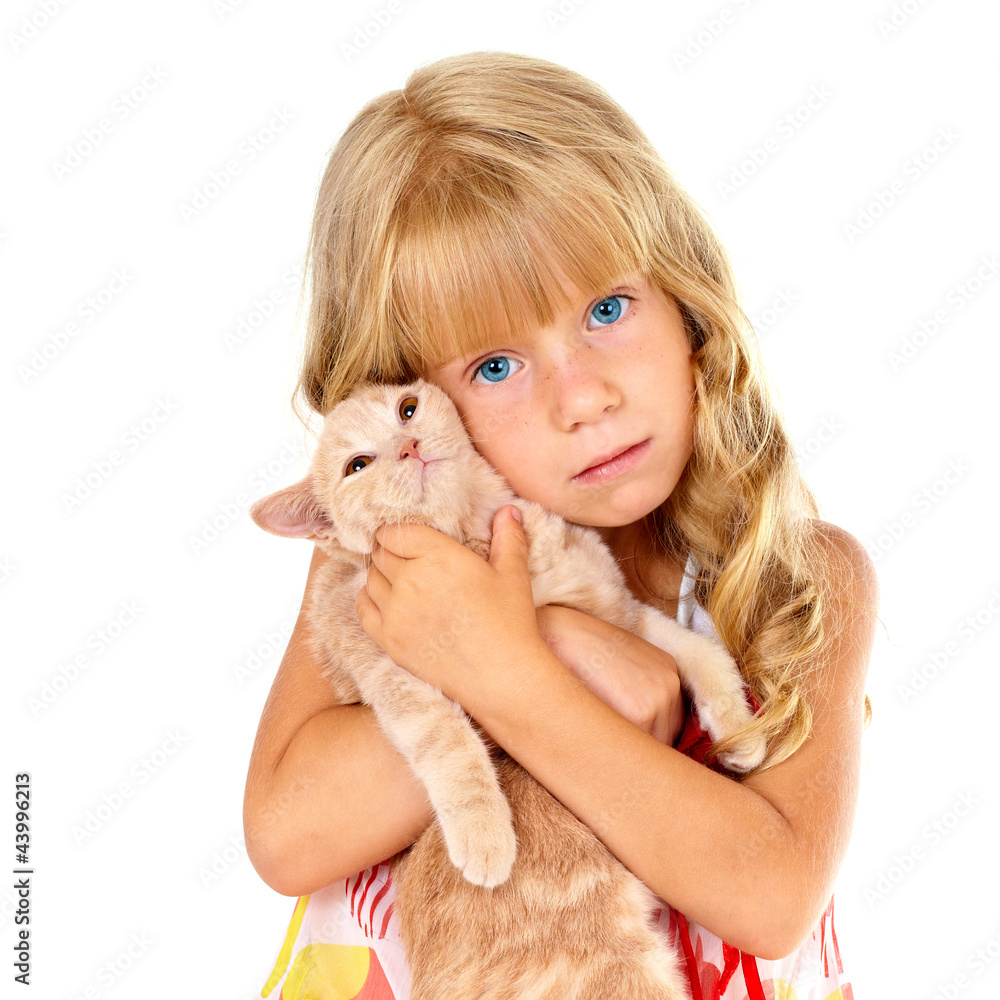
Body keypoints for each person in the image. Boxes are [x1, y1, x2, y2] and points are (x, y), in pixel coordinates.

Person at [244, 50, 879, 1000]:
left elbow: (769, 893)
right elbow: (290, 832)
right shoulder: (390, 570)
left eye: (609, 308)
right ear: (411, 398)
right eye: (495, 367)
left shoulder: (797, 577)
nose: (583, 398)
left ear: (686, 303)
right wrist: (563, 652)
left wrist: (511, 673)